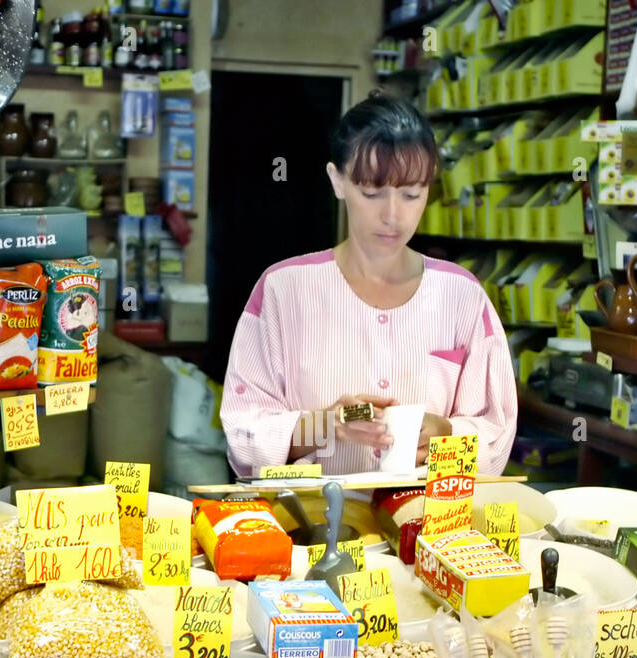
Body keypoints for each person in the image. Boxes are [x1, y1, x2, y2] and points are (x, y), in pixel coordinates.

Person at [219, 92, 518, 477]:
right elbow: (243, 440)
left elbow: (496, 435)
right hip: (314, 525)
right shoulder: (283, 290)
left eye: (412, 194)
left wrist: (447, 433)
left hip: (425, 526)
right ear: (337, 181)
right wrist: (324, 426)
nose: (393, 215)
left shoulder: (462, 296)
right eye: (372, 193)